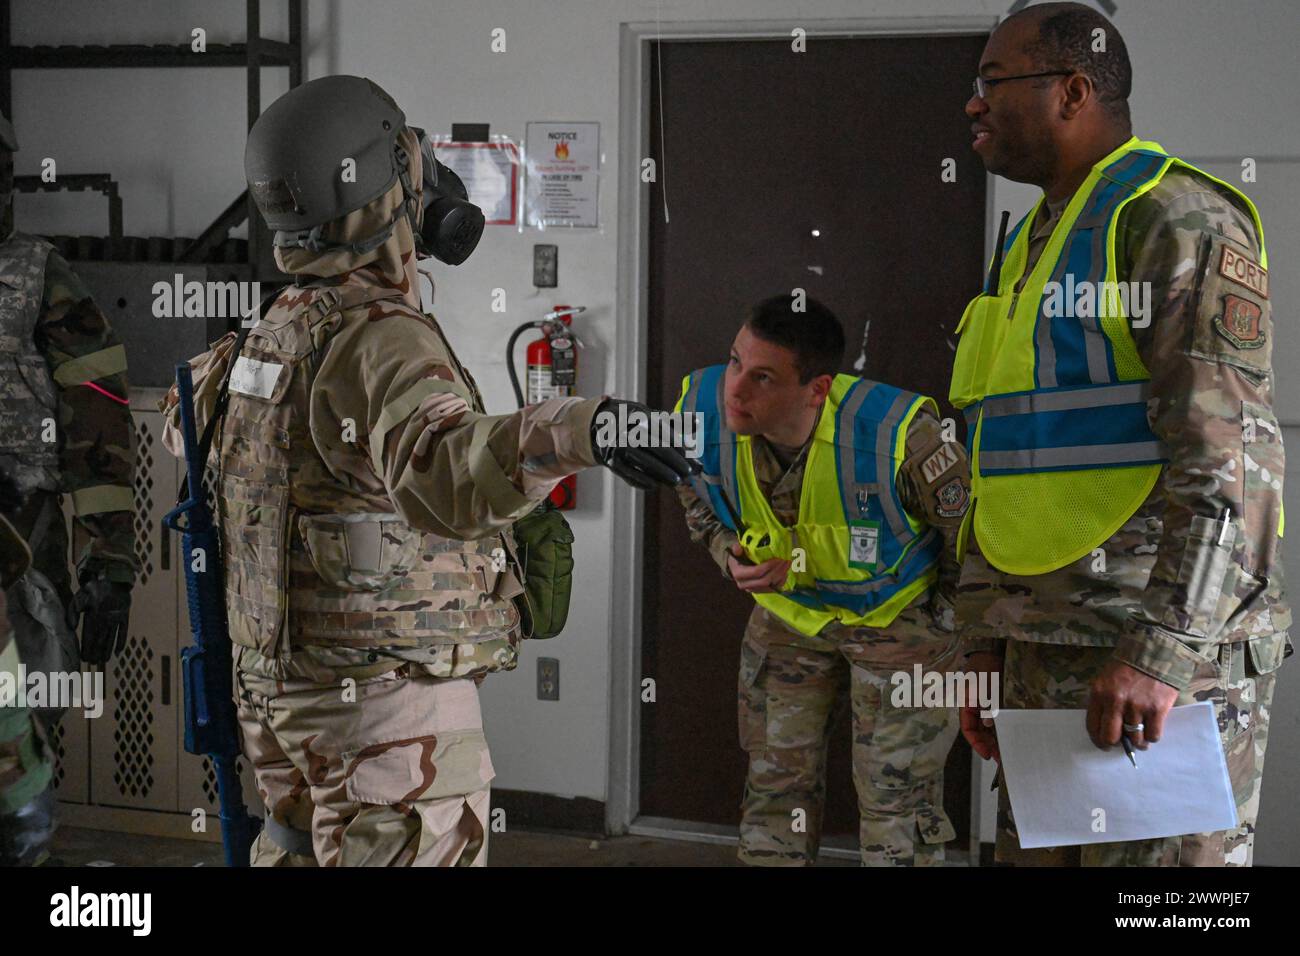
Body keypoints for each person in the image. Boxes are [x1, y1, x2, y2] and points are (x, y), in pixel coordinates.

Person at [159, 74, 692, 866]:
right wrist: (588, 428)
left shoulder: (263, 338)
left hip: (284, 704)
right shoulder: (380, 336)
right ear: (384, 182)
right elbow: (448, 476)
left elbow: (185, 433)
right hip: (384, 717)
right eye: (407, 154)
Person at [952, 2, 1288, 866]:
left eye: (993, 82)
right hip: (1046, 646)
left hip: (1147, 667)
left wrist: (1162, 653)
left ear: (1072, 91)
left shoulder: (1173, 219)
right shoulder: (1029, 238)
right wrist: (988, 639)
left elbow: (1234, 462)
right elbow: (1004, 457)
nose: (972, 105)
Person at [674, 295, 969, 865]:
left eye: (763, 377)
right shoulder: (700, 413)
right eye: (735, 362)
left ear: (816, 389)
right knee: (774, 790)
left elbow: (972, 537)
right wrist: (726, 553)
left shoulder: (903, 435)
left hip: (896, 622)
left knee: (896, 803)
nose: (736, 389)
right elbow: (696, 497)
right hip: (789, 614)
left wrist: (947, 623)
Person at [0, 112, 137, 866]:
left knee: (17, 757)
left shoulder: (39, 276)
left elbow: (101, 426)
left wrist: (109, 565)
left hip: (24, 551)